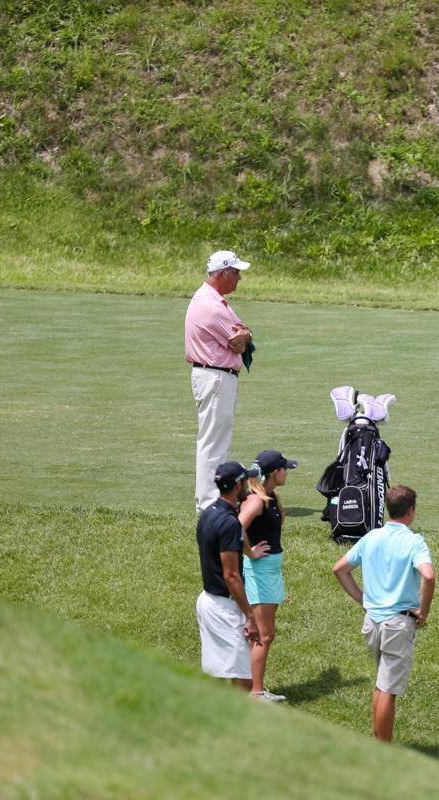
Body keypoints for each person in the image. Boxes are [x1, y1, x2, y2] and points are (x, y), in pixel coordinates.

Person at [332, 485, 436, 742]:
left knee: (381, 684)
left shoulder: (371, 537)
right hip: (397, 625)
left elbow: (339, 569)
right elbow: (429, 575)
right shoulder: (414, 541)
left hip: (373, 623)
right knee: (388, 690)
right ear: (411, 511)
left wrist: (364, 601)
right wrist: (424, 611)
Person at [185, 250, 254, 512]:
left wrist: (245, 333)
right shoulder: (211, 306)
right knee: (213, 443)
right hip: (215, 376)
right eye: (236, 273)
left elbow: (243, 331)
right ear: (223, 273)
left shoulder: (214, 299)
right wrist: (244, 335)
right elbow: (238, 343)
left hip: (216, 376)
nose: (239, 278)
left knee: (216, 440)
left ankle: (212, 500)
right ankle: (209, 504)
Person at [238, 449, 298, 703]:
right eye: (285, 469)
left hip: (270, 571)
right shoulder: (256, 501)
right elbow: (237, 526)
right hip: (260, 572)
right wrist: (250, 552)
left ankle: (250, 688)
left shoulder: (270, 496)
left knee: (260, 633)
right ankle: (255, 693)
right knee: (264, 634)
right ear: (275, 473)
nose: (287, 472)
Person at [195, 460, 261, 691]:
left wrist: (250, 551)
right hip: (223, 608)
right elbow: (231, 575)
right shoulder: (228, 523)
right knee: (243, 680)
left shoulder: (209, 514)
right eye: (245, 481)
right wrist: (250, 616)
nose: (248, 486)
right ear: (237, 485)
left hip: (208, 601)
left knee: (219, 675)